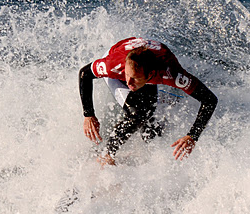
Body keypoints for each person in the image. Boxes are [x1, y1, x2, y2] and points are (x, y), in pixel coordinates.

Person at [79, 37, 218, 165]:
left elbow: (210, 100)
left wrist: (192, 136)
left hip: (148, 66)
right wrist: (88, 114)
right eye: (128, 76)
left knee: (149, 119)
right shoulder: (113, 65)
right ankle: (106, 156)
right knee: (137, 115)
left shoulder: (172, 73)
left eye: (134, 78)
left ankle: (142, 151)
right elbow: (84, 74)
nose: (129, 82)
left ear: (151, 75)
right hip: (120, 62)